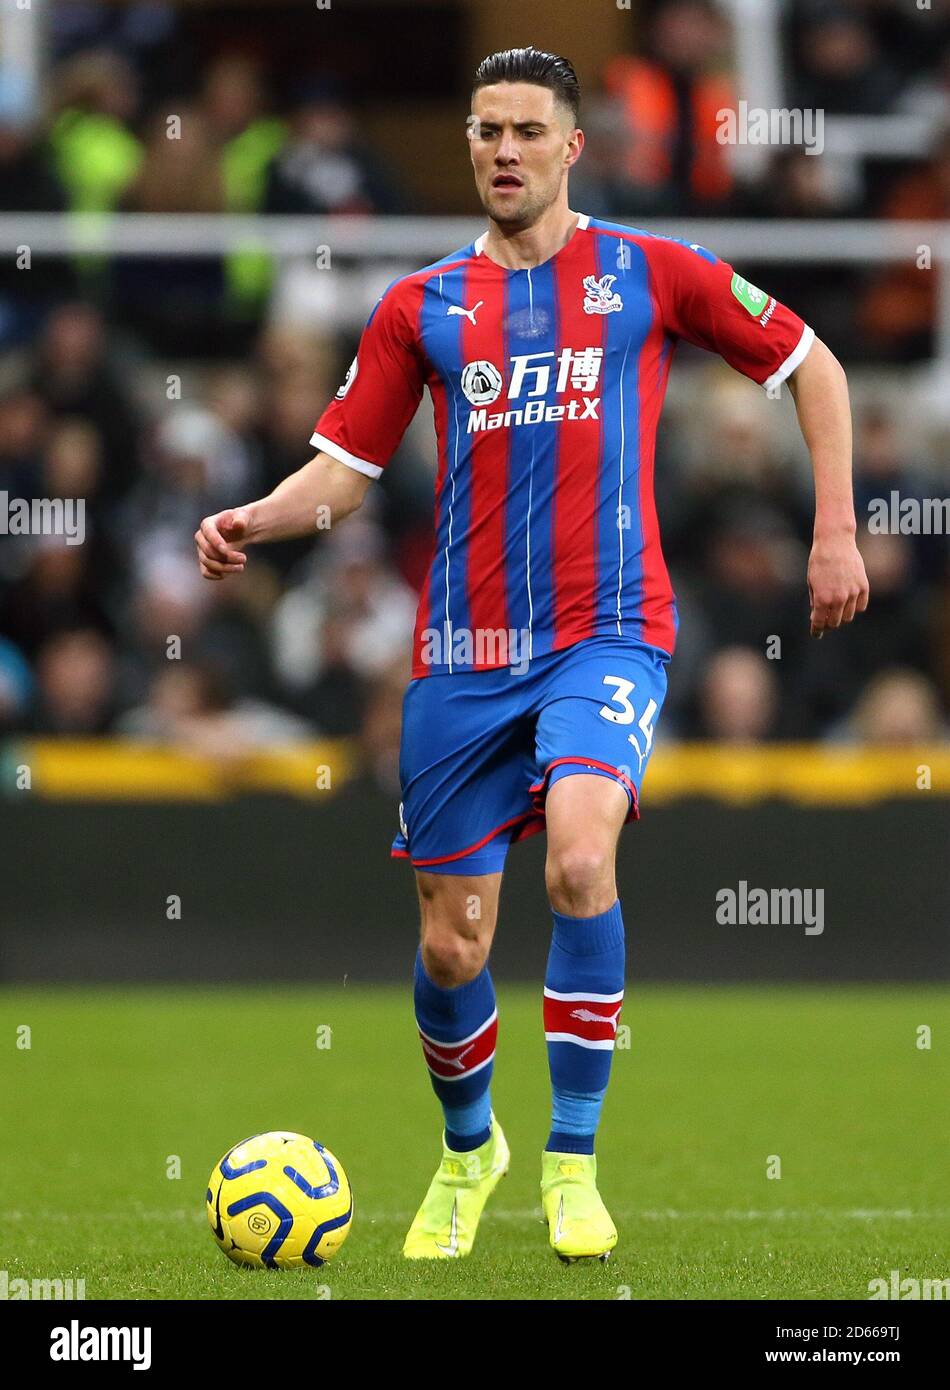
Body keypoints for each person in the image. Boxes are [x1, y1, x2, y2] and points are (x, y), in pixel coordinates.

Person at [195, 47, 869, 1264]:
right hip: (460, 653)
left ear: (571, 148)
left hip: (606, 632)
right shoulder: (420, 306)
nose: (503, 149)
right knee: (452, 941)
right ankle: (469, 1153)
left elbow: (810, 361)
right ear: (468, 145)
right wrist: (257, 517)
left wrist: (832, 529)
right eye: (485, 129)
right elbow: (344, 469)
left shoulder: (649, 272)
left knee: (576, 854)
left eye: (526, 130)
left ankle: (570, 1160)